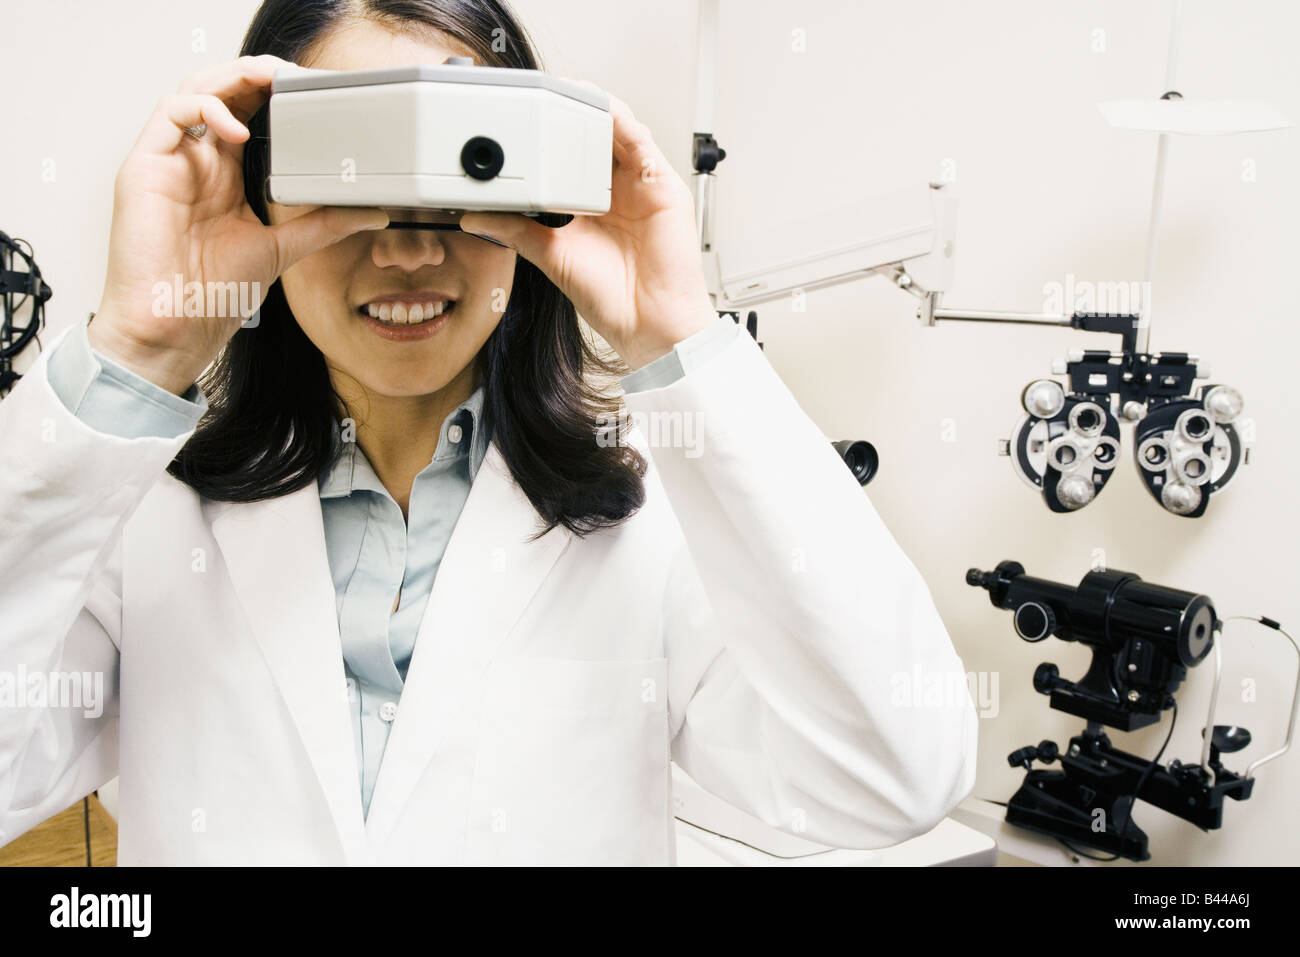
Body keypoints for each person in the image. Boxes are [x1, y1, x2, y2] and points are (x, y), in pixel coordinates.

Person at [0, 0, 977, 865]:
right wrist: (136, 348)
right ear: (258, 181)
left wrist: (680, 339)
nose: (410, 247)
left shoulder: (656, 522)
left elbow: (893, 777)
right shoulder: (142, 521)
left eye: (466, 167)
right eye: (350, 171)